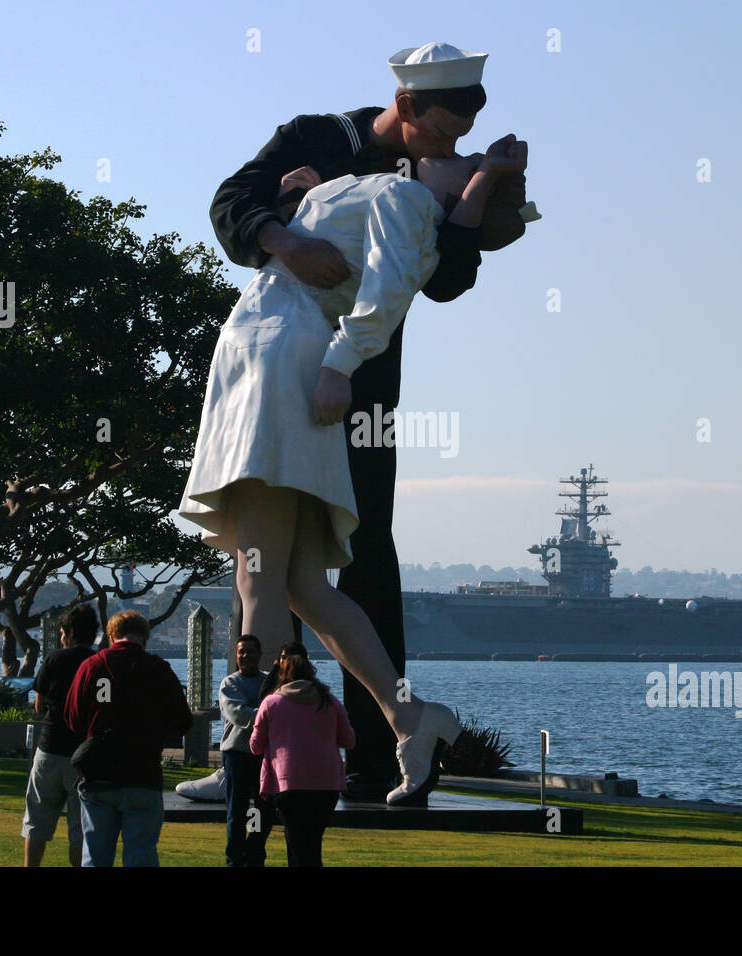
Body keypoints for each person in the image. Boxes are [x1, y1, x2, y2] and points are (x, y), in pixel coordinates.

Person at [208, 41, 530, 802]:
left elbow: (445, 278)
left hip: (340, 380)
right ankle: (377, 726)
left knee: (333, 561)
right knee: (294, 580)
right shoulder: (321, 140)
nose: (449, 150)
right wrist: (291, 232)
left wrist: (480, 189)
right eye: (443, 134)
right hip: (301, 369)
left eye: (462, 145)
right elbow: (230, 204)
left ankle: (289, 759)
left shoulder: (410, 192)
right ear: (409, 106)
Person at [63, 610, 191, 867]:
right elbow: (182, 722)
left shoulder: (93, 666)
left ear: (112, 635)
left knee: (95, 855)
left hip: (98, 774)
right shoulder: (158, 669)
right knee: (140, 854)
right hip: (142, 774)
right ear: (145, 637)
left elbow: (74, 718)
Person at [249, 643, 355, 866]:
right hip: (326, 783)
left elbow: (256, 746)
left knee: (297, 843)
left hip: (288, 782)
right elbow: (349, 740)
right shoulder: (329, 701)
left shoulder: (271, 703)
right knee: (312, 844)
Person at [21, 603, 97, 867]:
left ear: (70, 632)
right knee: (80, 828)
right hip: (84, 755)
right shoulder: (99, 663)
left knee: (37, 822)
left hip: (50, 748)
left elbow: (39, 705)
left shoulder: (54, 659)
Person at [215, 633, 275, 866]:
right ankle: (234, 859)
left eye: (250, 651)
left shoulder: (270, 681)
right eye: (241, 651)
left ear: (260, 655)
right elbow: (239, 714)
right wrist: (269, 713)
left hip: (264, 757)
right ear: (236, 656)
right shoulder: (229, 684)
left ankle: (254, 852)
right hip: (237, 755)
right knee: (236, 812)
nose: (245, 655)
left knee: (264, 811)